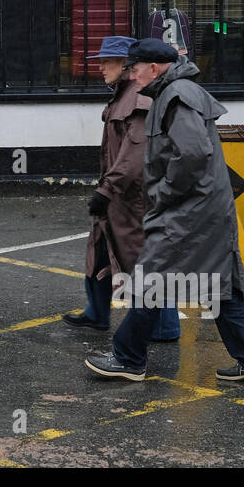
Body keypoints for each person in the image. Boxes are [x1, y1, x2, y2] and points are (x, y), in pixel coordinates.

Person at [84, 38, 244, 383]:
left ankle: (128, 359)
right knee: (218, 287)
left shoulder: (177, 95)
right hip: (202, 210)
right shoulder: (175, 92)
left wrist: (165, 192)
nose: (133, 74)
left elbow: (191, 154)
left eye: (136, 68)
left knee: (150, 280)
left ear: (154, 68)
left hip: (188, 212)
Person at [63, 36, 180, 341]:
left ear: (127, 66)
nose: (100, 67)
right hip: (118, 197)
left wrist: (107, 189)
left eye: (107, 61)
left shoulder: (138, 98)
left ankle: (166, 327)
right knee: (100, 251)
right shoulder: (122, 94)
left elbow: (135, 152)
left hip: (132, 199)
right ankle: (97, 314)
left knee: (144, 261)